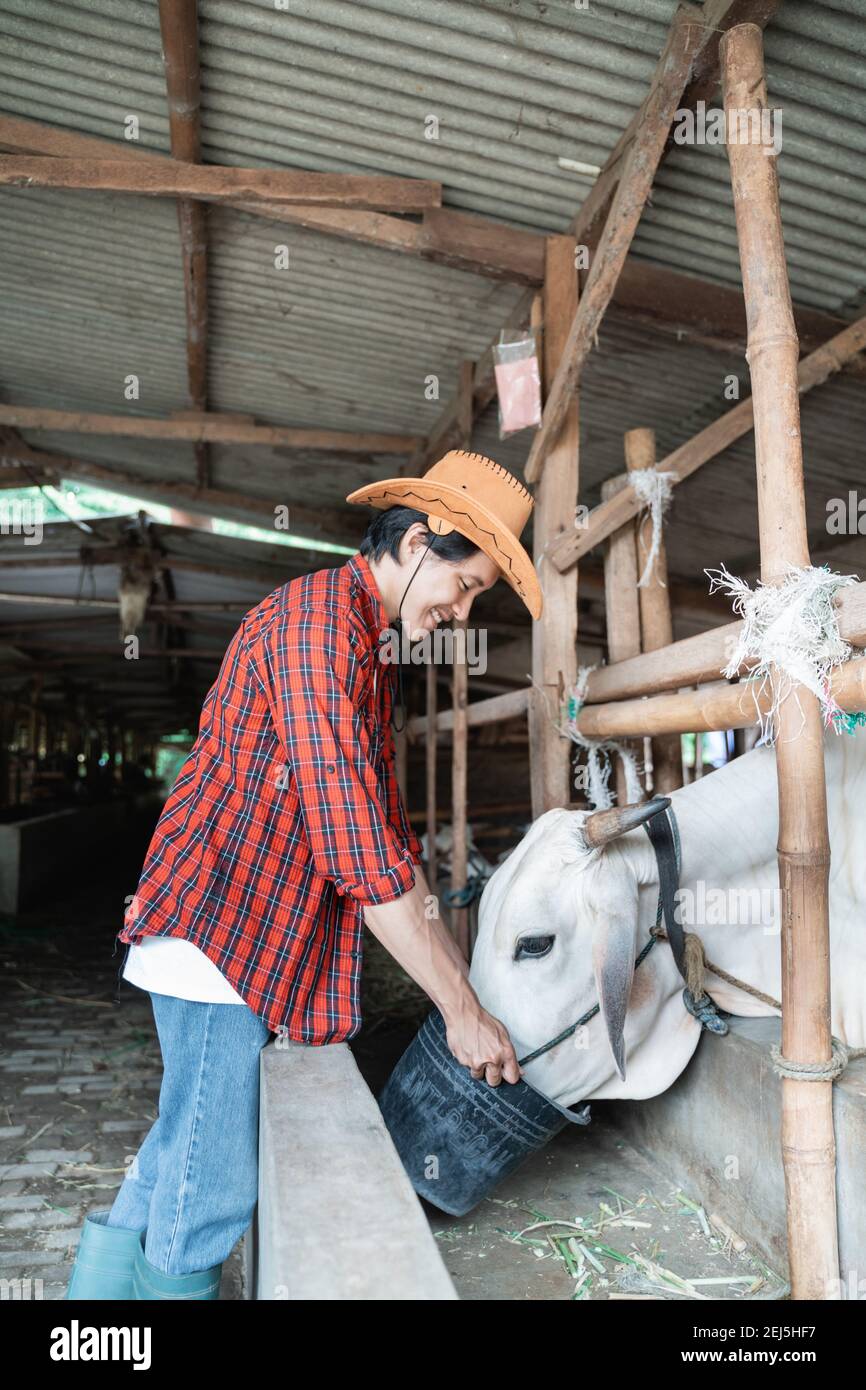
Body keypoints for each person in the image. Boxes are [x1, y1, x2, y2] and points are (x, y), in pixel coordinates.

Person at [64, 448, 544, 1300]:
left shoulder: (360, 639)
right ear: (420, 543)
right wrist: (459, 1010)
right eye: (465, 586)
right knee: (212, 1183)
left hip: (241, 935)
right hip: (221, 935)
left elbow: (386, 837)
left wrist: (458, 980)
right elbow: (355, 844)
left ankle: (91, 1321)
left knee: (183, 1145)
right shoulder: (320, 626)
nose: (461, 610)